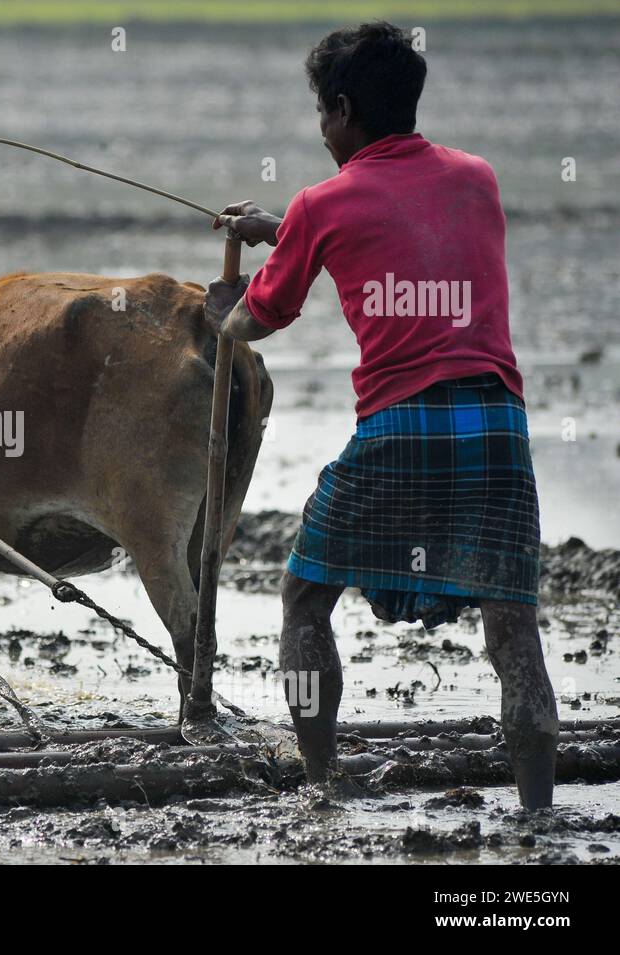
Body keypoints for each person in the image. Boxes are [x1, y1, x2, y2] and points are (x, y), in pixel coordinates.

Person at [203, 21, 557, 809]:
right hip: (499, 427)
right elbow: (390, 213)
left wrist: (227, 305)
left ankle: (320, 780)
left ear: (345, 108)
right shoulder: (480, 178)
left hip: (400, 423)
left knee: (303, 596)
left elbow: (258, 316)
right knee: (513, 625)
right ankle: (540, 813)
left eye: (323, 116)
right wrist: (288, 228)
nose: (321, 131)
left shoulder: (321, 204)